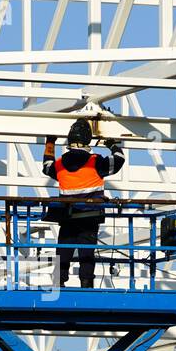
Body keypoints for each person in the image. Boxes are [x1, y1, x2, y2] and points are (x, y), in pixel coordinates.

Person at [42, 119, 124, 287]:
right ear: (88, 140)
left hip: (67, 216)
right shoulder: (96, 161)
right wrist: (112, 145)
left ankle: (58, 281)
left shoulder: (60, 164)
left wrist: (50, 142)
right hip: (90, 216)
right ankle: (86, 284)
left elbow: (46, 165)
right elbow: (119, 160)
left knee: (63, 250)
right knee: (87, 252)